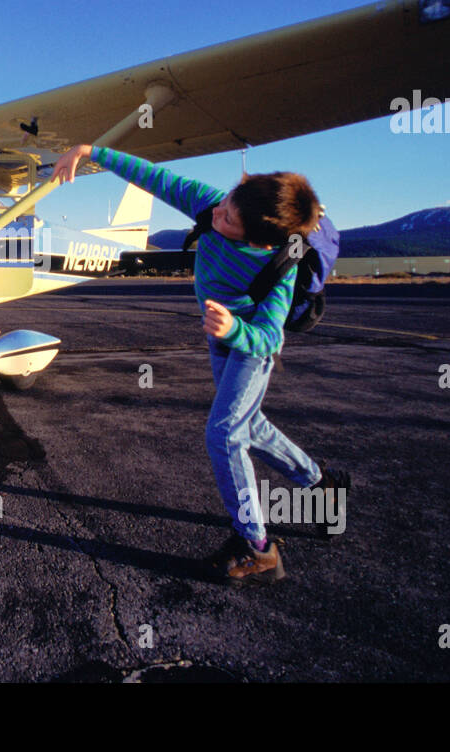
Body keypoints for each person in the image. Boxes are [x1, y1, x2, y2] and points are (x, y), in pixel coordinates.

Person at [52, 144, 349, 582]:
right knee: (251, 427)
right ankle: (321, 488)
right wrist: (91, 151)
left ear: (258, 241)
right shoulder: (215, 203)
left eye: (229, 219)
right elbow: (155, 176)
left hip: (248, 350)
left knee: (225, 433)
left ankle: (257, 546)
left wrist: (233, 330)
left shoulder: (280, 262)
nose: (218, 214)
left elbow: (269, 337)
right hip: (221, 341)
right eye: (227, 201)